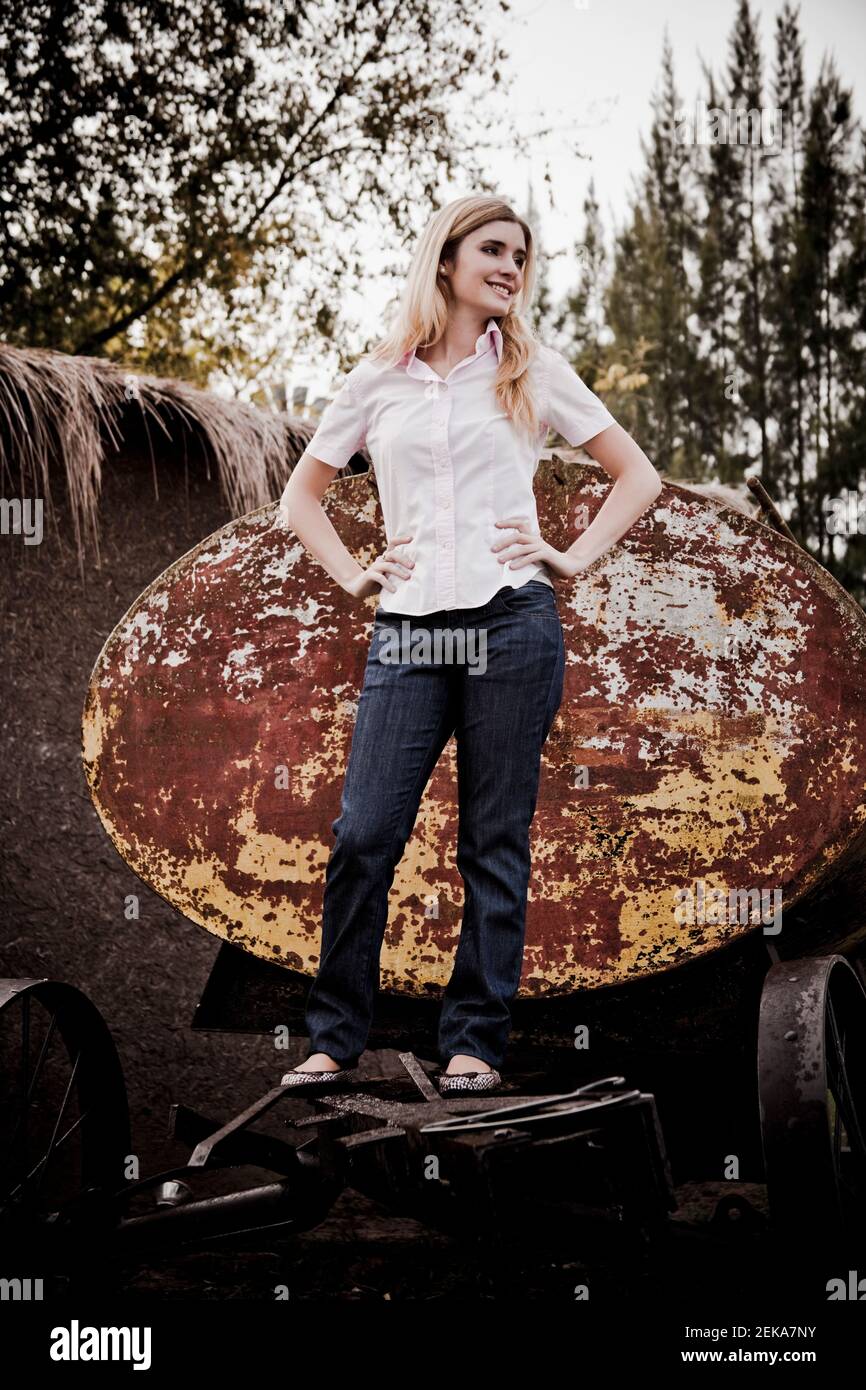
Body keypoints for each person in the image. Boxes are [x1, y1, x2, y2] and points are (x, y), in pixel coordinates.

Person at [276, 194, 662, 1095]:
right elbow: (302, 496)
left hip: (510, 624)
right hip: (407, 630)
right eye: (493, 249)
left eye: (521, 257)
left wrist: (569, 559)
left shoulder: (531, 373)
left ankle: (473, 1043)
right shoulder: (377, 379)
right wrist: (352, 575)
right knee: (364, 831)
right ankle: (334, 1036)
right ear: (444, 260)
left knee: (493, 840)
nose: (511, 269)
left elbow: (636, 474)